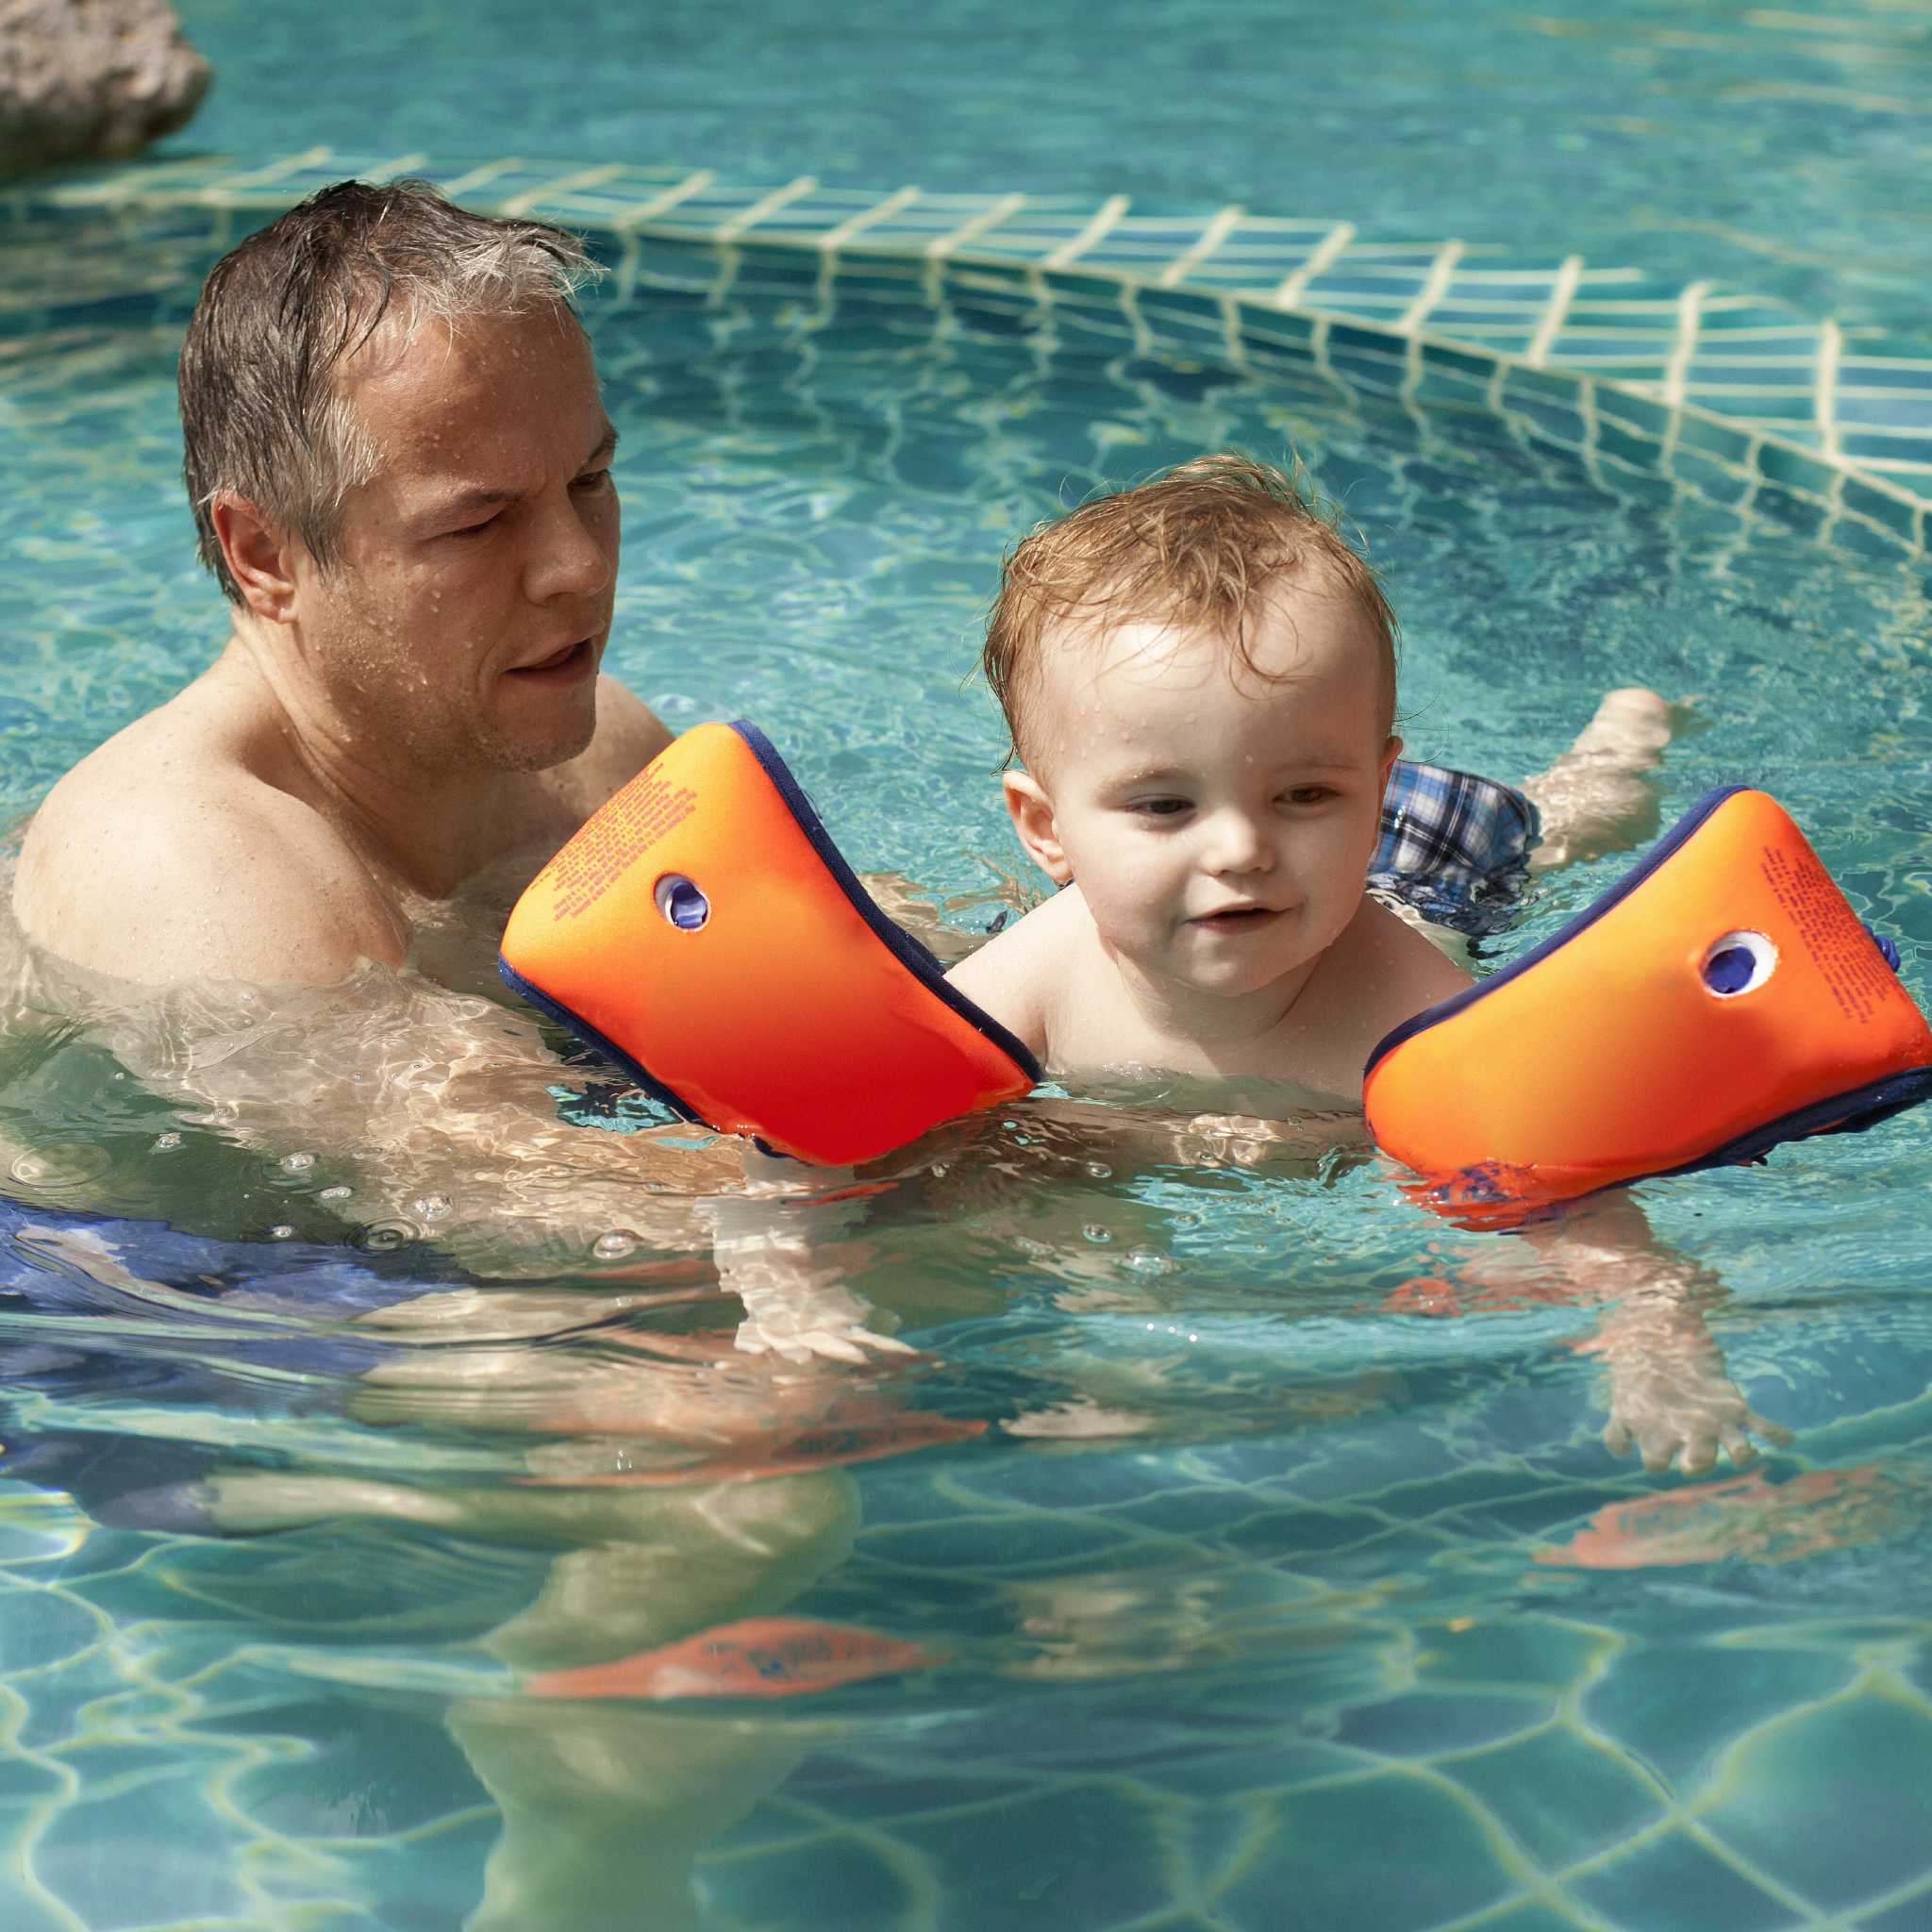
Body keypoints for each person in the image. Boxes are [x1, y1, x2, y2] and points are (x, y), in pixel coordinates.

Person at [12, 179, 671, 986]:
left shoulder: (609, 759)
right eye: (479, 524)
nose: (583, 566)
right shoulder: (189, 864)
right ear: (265, 555)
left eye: (590, 480)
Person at [947, 452, 1674, 1093]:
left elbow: (1536, 1170)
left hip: (1429, 866)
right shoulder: (1032, 978)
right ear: (1047, 828)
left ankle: (1617, 748)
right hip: (1332, 836)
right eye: (1165, 806)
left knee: (1557, 830)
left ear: (1378, 793)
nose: (1240, 850)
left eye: (1306, 793)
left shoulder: (1417, 1020)